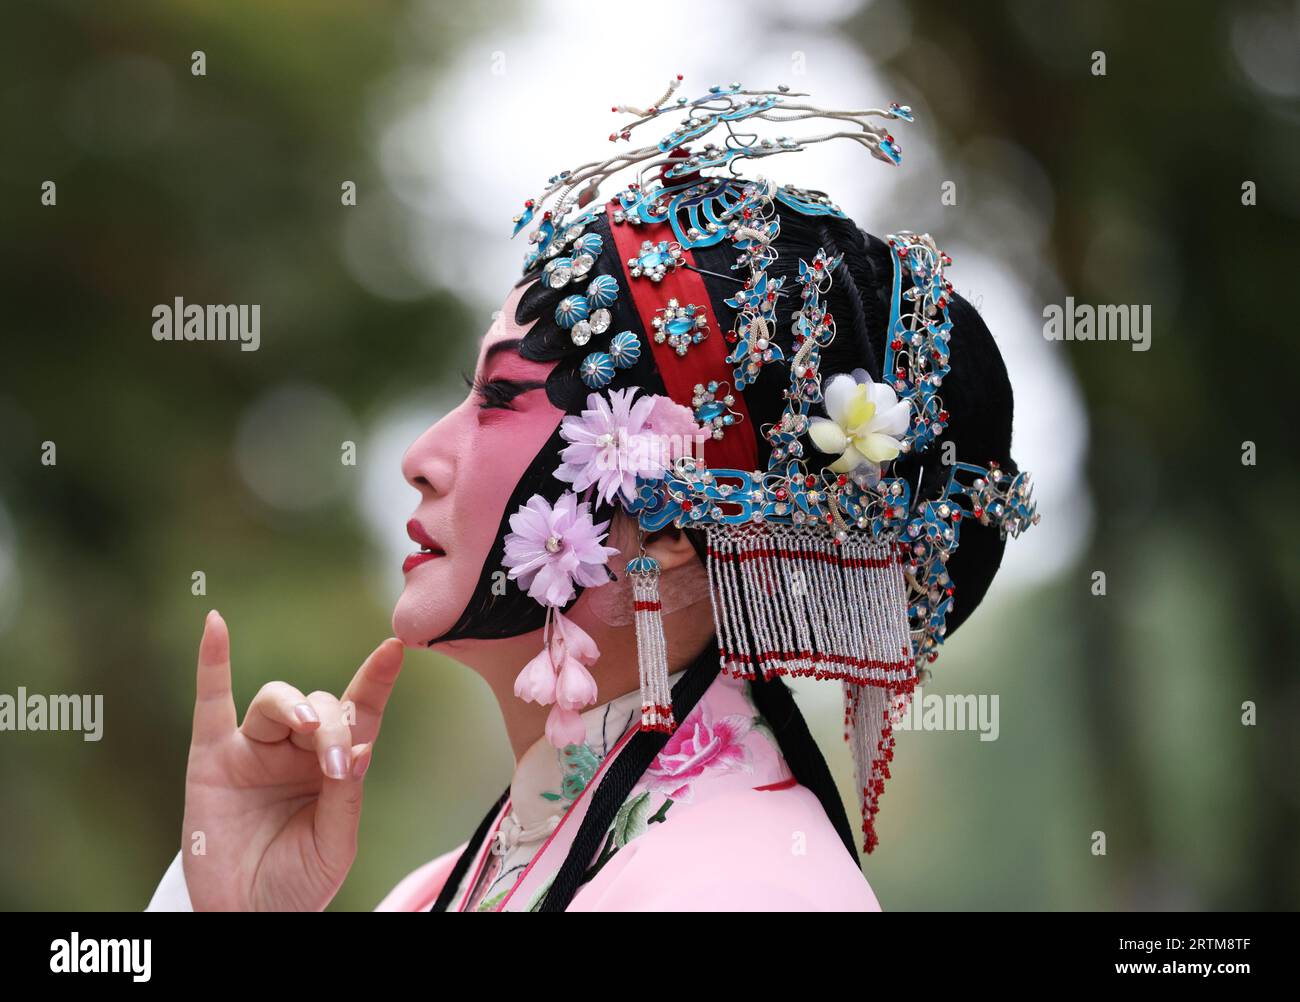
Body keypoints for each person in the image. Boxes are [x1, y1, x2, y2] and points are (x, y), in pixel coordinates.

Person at [146, 79, 1037, 912]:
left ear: (671, 519)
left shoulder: (744, 887)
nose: (421, 457)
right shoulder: (439, 891)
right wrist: (223, 900)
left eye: (498, 399)